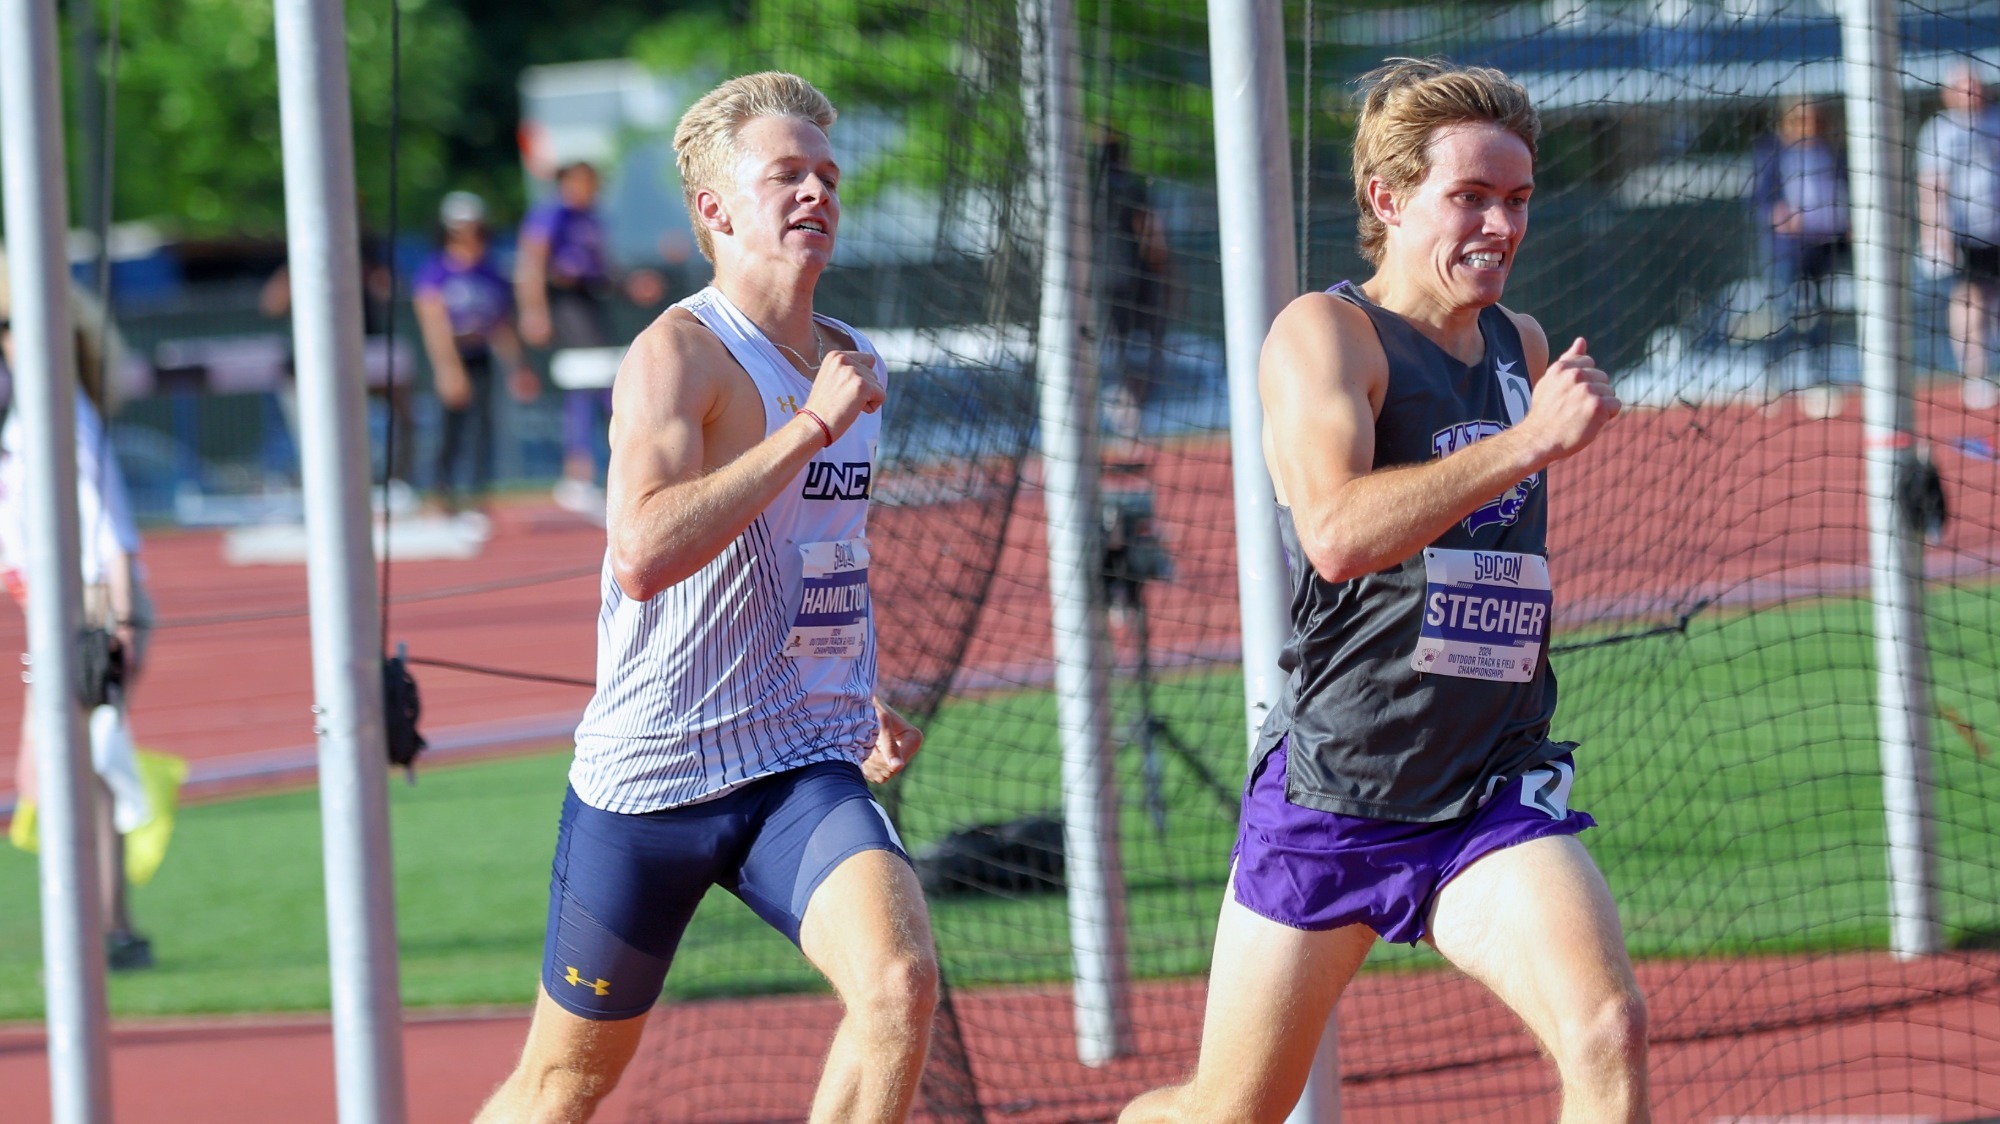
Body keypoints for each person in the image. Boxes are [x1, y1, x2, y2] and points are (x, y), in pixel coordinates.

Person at [1120, 59, 1646, 1123]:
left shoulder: (1520, 345)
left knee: (1606, 1028)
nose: (1499, 224)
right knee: (1230, 1108)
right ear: (1388, 198)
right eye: (1469, 197)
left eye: (1517, 199)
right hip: (1340, 788)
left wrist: (1523, 433)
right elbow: (1334, 533)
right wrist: (1529, 441)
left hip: (1489, 781)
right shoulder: (1325, 335)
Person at [477, 73, 937, 1123]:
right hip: (652, 780)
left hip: (796, 765)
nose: (816, 192)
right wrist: (804, 429)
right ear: (716, 211)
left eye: (827, 175)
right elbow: (640, 551)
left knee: (897, 983)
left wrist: (851, 691)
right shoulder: (677, 354)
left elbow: (824, 549)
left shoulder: (852, 364)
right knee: (564, 1083)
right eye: (786, 174)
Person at [0, 257, 157, 971]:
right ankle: (109, 925)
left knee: (61, 767)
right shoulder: (27, 410)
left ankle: (98, 925)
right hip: (55, 606)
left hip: (89, 606)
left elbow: (110, 526)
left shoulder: (61, 410)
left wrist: (120, 624)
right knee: (77, 768)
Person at [514, 161, 666, 520]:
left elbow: (602, 268)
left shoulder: (592, 218)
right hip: (565, 305)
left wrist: (632, 284)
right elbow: (533, 261)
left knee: (607, 384)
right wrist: (534, 311)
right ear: (567, 182)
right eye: (584, 181)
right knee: (586, 384)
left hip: (591, 304)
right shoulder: (553, 215)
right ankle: (577, 473)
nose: (591, 188)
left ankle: (613, 468)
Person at [411, 191, 537, 515]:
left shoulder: (490, 271)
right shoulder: (436, 271)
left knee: (483, 425)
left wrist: (517, 367)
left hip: (480, 354)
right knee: (446, 428)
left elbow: (500, 324)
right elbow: (434, 324)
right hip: (449, 354)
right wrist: (449, 370)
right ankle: (440, 495)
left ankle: (477, 494)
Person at [1752, 98, 1851, 388]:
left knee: (1820, 311)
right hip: (1788, 248)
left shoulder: (1832, 152)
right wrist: (1778, 214)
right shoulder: (1773, 152)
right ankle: (1773, 375)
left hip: (1824, 244)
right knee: (1785, 310)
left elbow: (1842, 190)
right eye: (1802, 119)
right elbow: (1760, 199)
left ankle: (1820, 375)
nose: (1808, 126)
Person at [1917, 64, 2000, 400]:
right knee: (1970, 300)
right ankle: (1974, 372)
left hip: (1996, 230)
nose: (1971, 93)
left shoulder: (1995, 121)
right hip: (1964, 233)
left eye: (1975, 86)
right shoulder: (1939, 131)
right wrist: (1935, 236)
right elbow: (1930, 187)